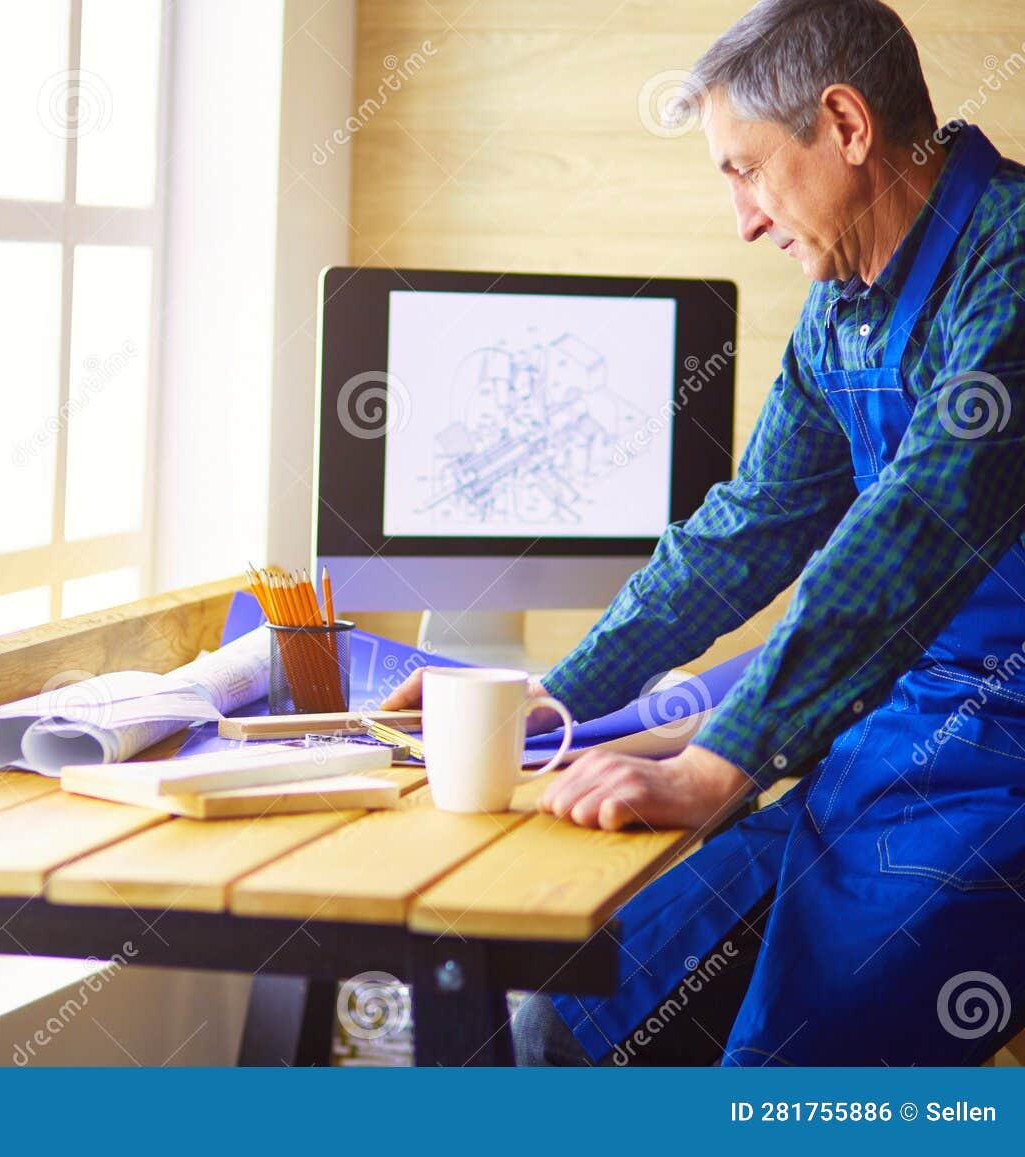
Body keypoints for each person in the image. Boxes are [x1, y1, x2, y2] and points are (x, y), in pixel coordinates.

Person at [381, 0, 1025, 1065]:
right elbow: (746, 527)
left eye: (746, 169)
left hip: (996, 777)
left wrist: (719, 760)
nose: (744, 219)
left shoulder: (1010, 264)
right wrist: (559, 696)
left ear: (846, 126)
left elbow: (915, 529)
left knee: (771, 1087)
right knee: (570, 1012)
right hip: (870, 749)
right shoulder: (843, 303)